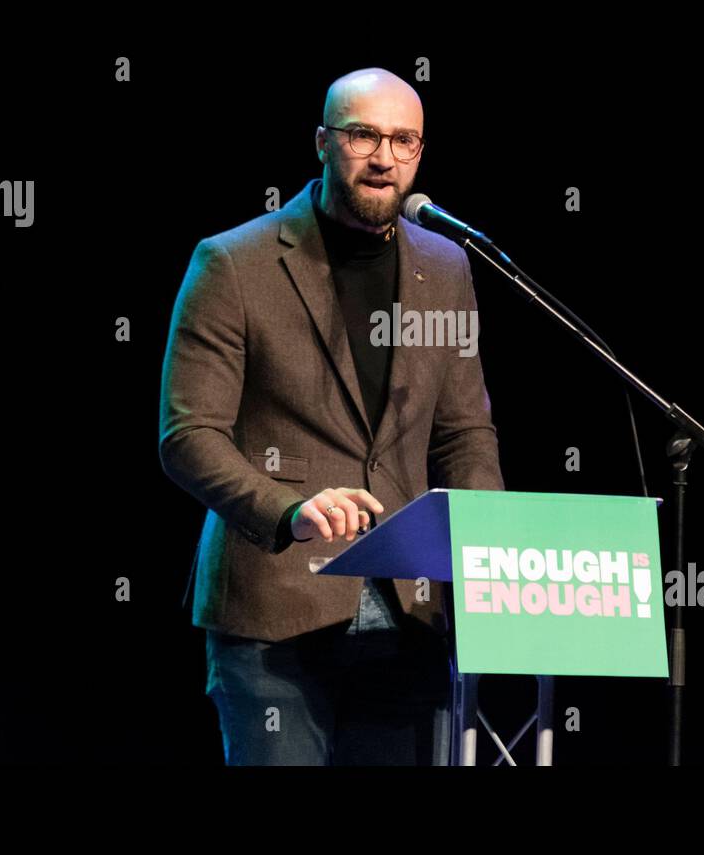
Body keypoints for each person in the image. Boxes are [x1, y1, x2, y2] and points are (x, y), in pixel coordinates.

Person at [158, 67, 504, 765]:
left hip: (408, 617)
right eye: (363, 134)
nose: (384, 156)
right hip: (275, 617)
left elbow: (464, 432)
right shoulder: (234, 262)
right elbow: (188, 435)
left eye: (404, 140)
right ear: (322, 142)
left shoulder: (446, 266)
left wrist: (487, 550)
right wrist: (290, 508)